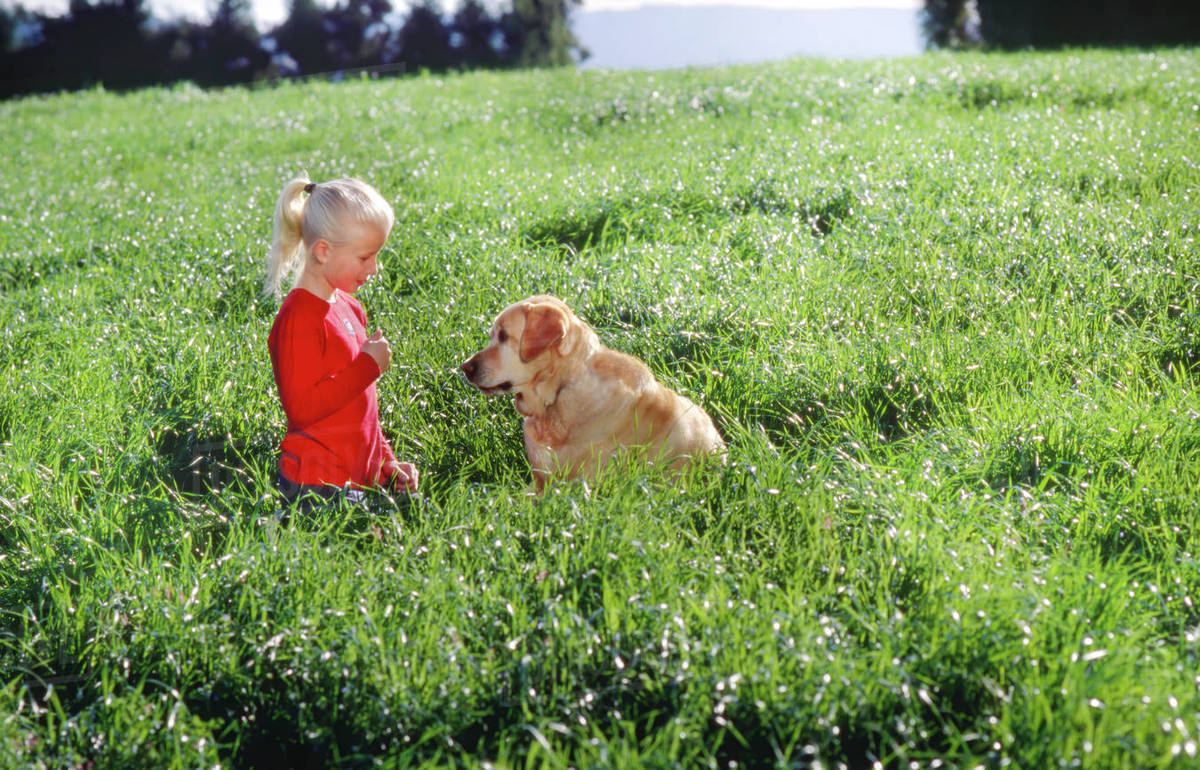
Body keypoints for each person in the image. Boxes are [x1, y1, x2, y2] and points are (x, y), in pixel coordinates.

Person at [263, 176, 419, 512]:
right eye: (364, 258)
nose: (374, 269)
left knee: (411, 515)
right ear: (323, 251)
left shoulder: (349, 307)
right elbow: (303, 408)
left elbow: (363, 410)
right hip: (315, 485)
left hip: (354, 478)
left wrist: (386, 462)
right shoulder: (299, 319)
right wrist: (367, 367)